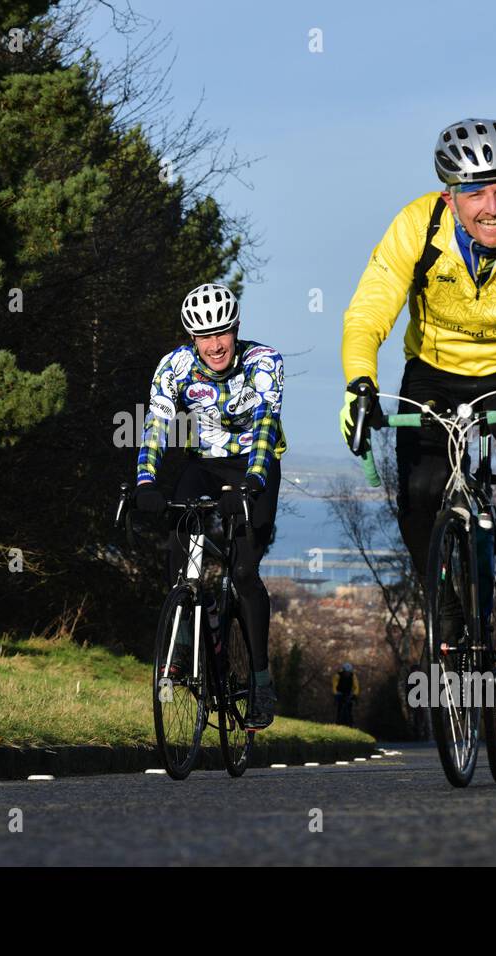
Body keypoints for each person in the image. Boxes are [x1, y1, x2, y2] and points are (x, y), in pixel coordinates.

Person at [339, 119, 496, 680]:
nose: (492, 207)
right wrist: (360, 382)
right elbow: (369, 311)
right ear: (448, 198)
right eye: (474, 192)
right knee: (416, 492)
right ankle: (447, 612)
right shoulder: (416, 224)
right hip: (434, 372)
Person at [134, 282, 286, 727]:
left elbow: (264, 427)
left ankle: (260, 681)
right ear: (191, 339)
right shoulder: (175, 367)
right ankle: (183, 640)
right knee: (181, 539)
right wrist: (145, 481)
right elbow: (157, 428)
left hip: (253, 465)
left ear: (236, 329)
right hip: (204, 463)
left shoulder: (263, 362)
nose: (215, 345)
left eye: (222, 333)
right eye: (204, 336)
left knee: (243, 572)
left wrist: (254, 482)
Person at [333, 662, 360, 726]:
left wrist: (355, 694)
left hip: (348, 694)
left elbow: (356, 686)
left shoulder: (353, 676)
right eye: (345, 672)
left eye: (348, 672)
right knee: (339, 708)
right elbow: (334, 685)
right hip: (339, 693)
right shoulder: (337, 675)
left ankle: (350, 724)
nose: (347, 674)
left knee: (349, 708)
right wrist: (336, 694)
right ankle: (338, 722)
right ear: (343, 670)